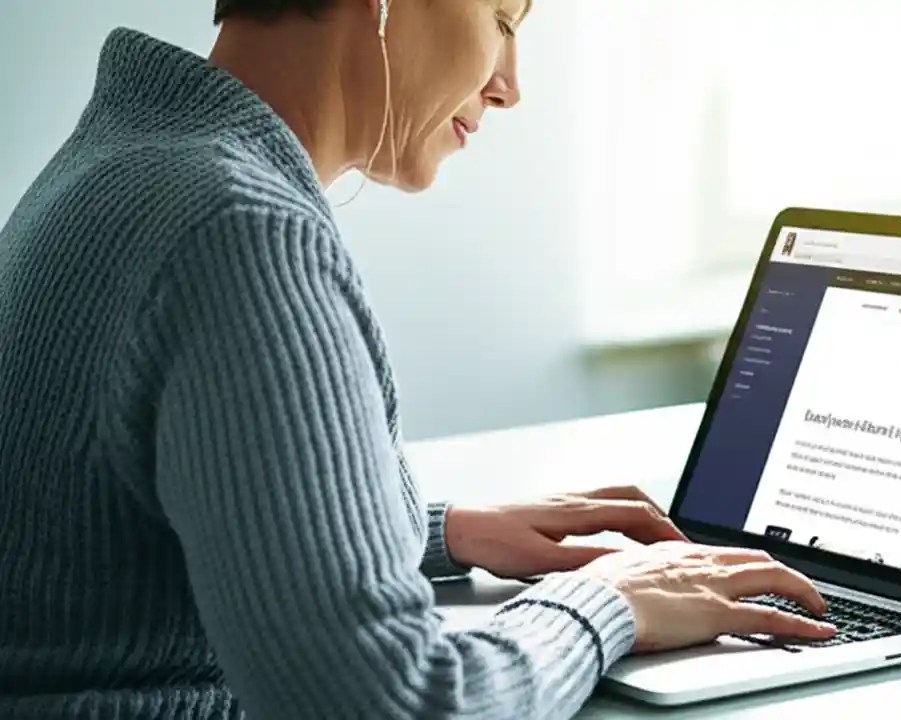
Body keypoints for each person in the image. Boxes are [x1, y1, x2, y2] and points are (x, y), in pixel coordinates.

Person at [0, 1, 837, 718]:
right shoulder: (237, 230)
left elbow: (146, 520)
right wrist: (606, 602)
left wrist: (434, 531)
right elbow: (389, 700)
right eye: (501, 19)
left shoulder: (124, 161)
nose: (511, 84)